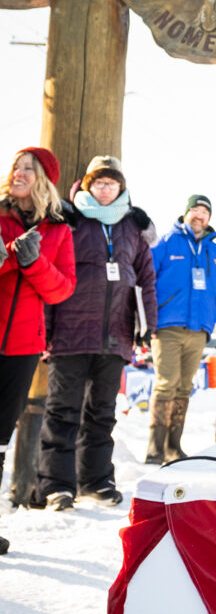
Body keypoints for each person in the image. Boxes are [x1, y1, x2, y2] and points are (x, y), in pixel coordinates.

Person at [32, 157, 157, 511]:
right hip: (70, 333)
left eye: (111, 183)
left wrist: (147, 327)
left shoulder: (132, 226)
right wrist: (45, 329)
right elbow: (50, 273)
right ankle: (56, 486)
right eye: (99, 183)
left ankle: (95, 481)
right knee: (62, 412)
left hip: (116, 335)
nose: (105, 189)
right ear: (87, 186)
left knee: (102, 414)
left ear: (121, 188)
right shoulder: (69, 219)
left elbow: (146, 279)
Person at [0, 148, 76, 551]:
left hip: (23, 345)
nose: (18, 173)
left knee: (0, 435)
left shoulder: (58, 231)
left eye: (28, 168)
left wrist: (32, 263)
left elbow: (62, 289)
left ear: (43, 179)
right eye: (15, 166)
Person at [148, 194, 216, 464]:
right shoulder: (165, 243)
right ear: (186, 213)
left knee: (184, 387)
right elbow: (146, 280)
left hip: (199, 331)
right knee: (166, 384)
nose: (199, 216)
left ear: (209, 219)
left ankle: (173, 447)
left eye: (204, 212)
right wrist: (147, 320)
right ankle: (155, 448)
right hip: (167, 326)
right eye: (195, 210)